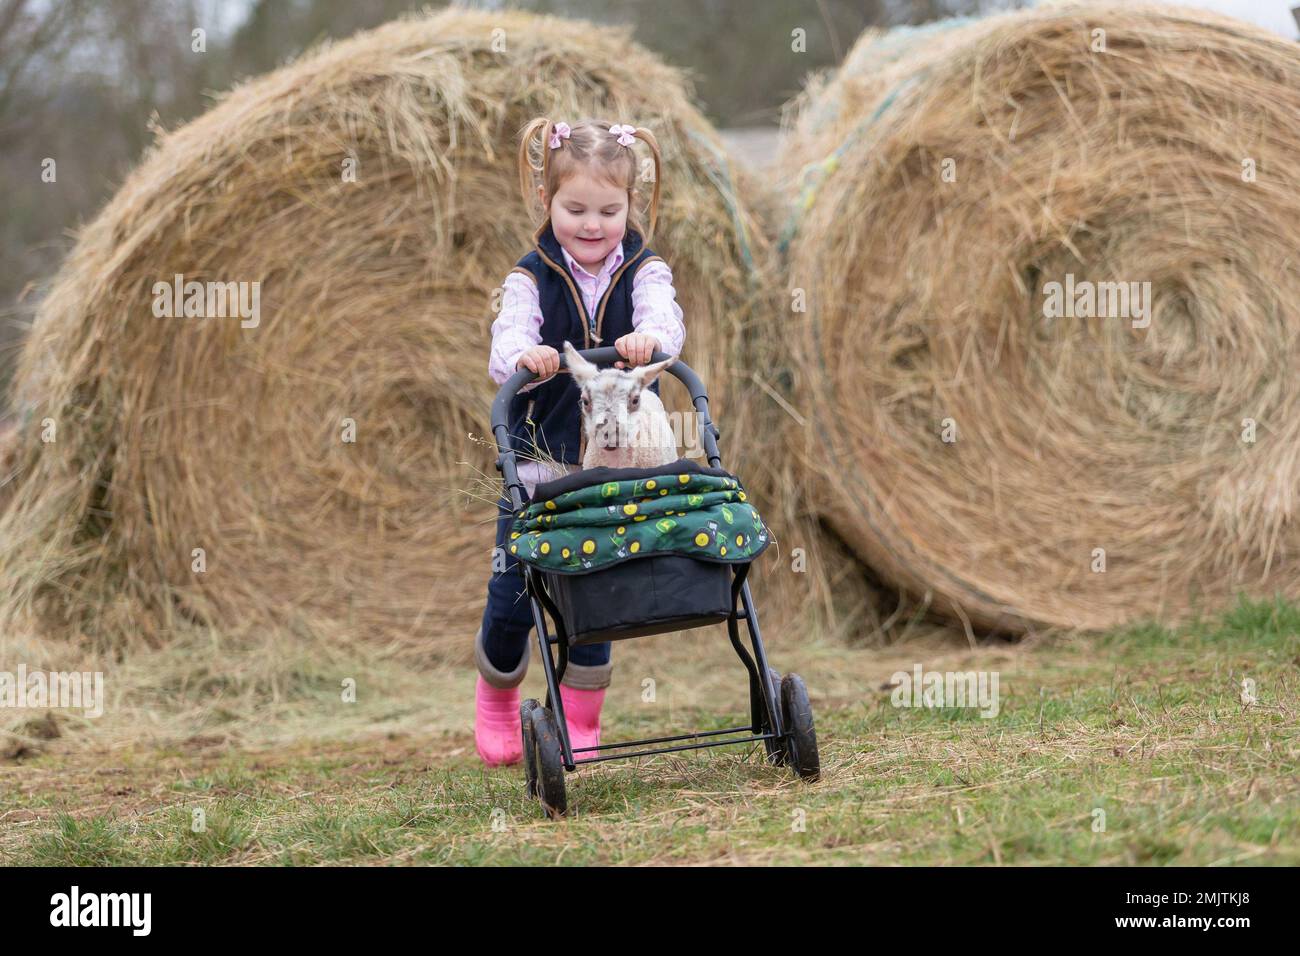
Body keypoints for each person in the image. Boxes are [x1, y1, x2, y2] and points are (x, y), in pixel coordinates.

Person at [476, 117, 687, 766]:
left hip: (612, 463)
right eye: (575, 209)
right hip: (542, 460)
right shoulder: (531, 276)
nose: (591, 225)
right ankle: (499, 697)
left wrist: (649, 340)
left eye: (608, 210)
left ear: (632, 207)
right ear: (547, 203)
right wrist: (526, 354)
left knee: (598, 590)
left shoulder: (645, 270)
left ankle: (580, 716)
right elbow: (505, 338)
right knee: (513, 589)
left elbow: (666, 320)